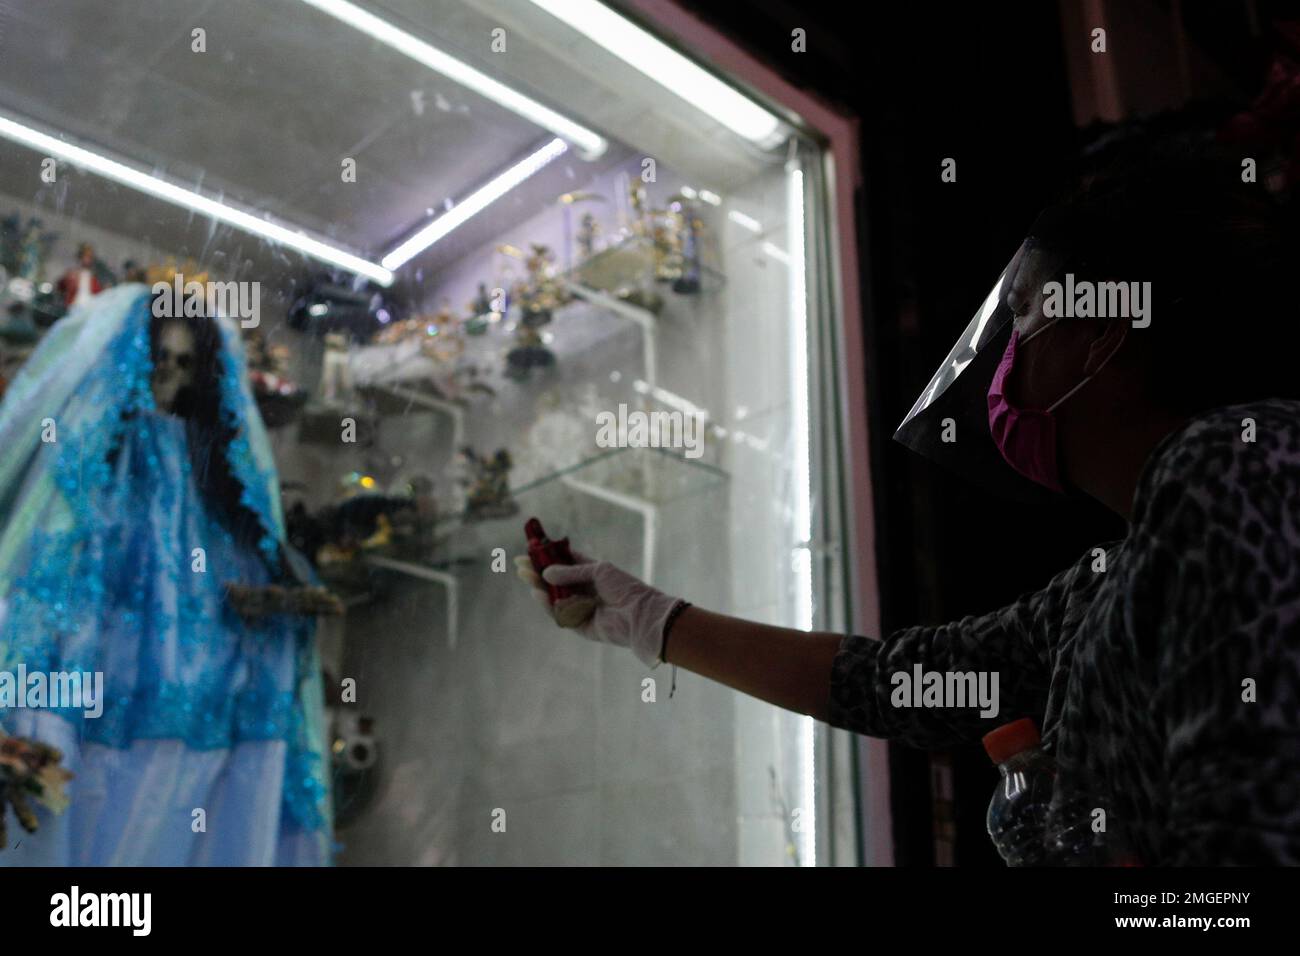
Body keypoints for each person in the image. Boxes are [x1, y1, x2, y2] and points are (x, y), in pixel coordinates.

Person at [517, 147, 1300, 866]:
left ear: (1099, 332)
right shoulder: (1110, 578)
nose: (1003, 356)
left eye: (1023, 314)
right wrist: (649, 618)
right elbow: (901, 684)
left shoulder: (1231, 467)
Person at [0, 283, 331, 865]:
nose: (167, 378)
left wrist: (274, 603)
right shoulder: (91, 464)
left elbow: (245, 576)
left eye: (184, 365)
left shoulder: (211, 486)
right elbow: (40, 569)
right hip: (87, 672)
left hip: (185, 692)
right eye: (158, 361)